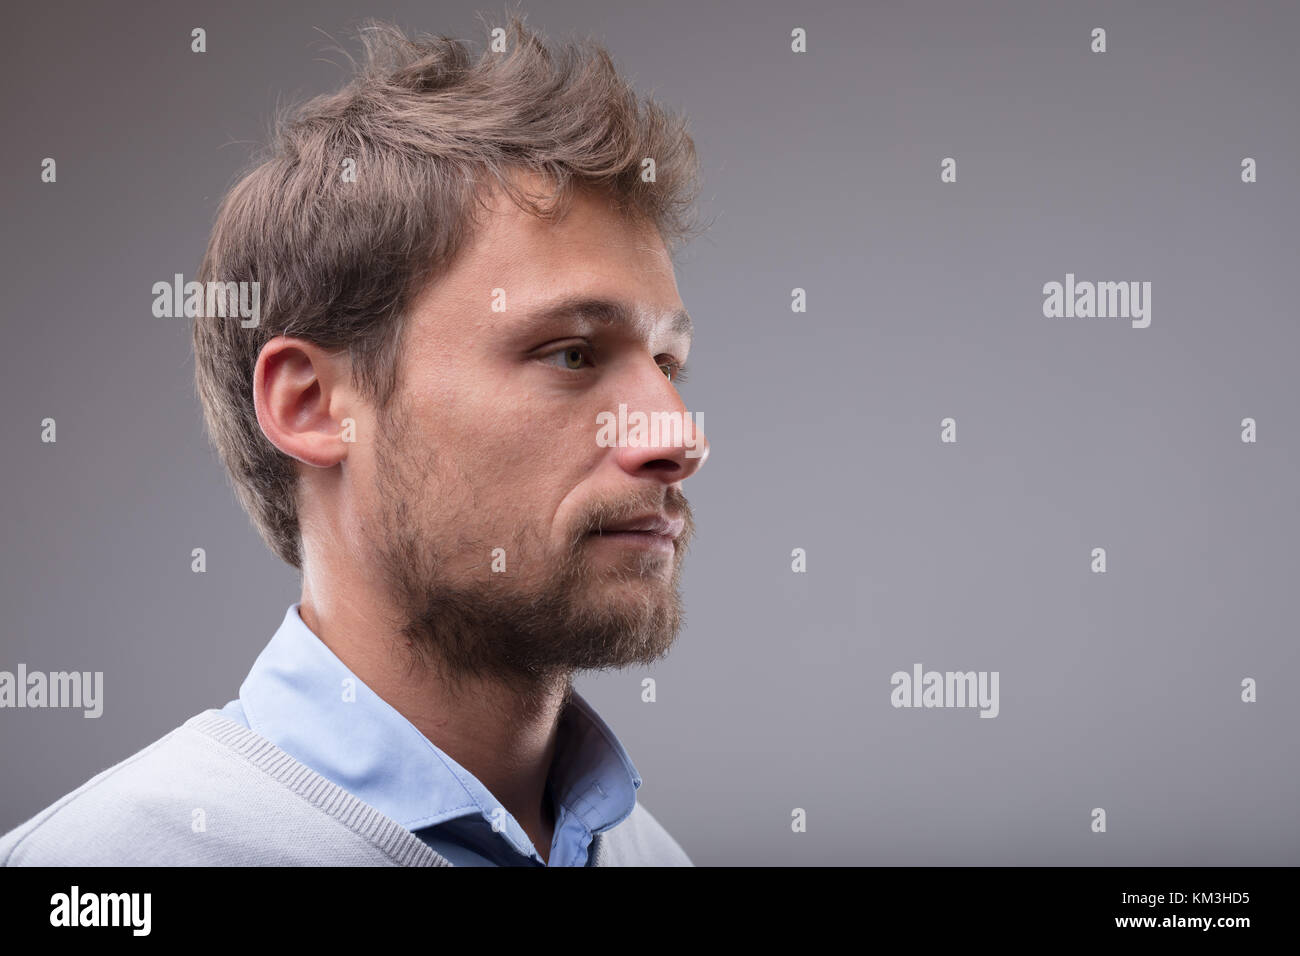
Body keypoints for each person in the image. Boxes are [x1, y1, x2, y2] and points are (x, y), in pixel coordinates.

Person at [0, 13, 708, 867]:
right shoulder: (105, 869)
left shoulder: (655, 856)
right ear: (309, 405)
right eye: (570, 353)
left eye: (668, 361)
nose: (675, 434)